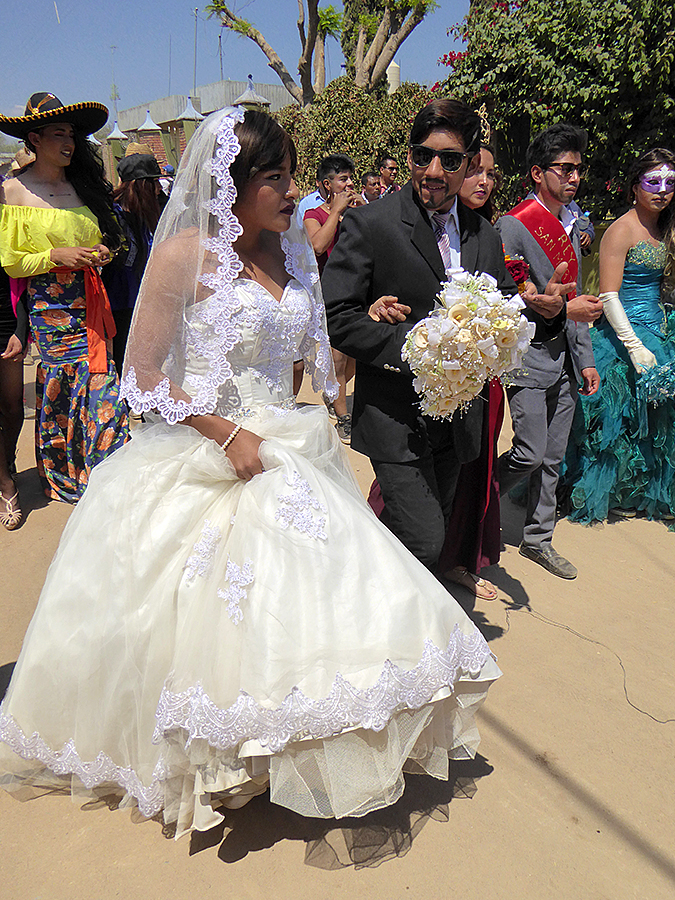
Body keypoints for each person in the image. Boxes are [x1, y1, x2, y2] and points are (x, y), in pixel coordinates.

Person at [0, 107, 500, 839]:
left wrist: (388, 323)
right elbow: (142, 376)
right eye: (275, 177)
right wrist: (225, 430)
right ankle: (210, 760)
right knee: (202, 618)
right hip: (208, 446)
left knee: (309, 608)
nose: (292, 191)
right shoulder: (185, 254)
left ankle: (277, 750)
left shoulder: (294, 252)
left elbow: (308, 361)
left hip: (289, 443)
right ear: (230, 184)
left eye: (291, 175)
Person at [322, 99, 517, 575]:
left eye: (449, 160)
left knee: (429, 534)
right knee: (425, 540)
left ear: (469, 163)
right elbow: (336, 315)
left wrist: (534, 312)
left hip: (458, 419)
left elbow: (505, 304)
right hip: (395, 415)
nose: (433, 171)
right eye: (421, 156)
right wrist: (415, 346)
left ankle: (390, 605)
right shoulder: (372, 224)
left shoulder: (484, 235)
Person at [0, 92, 129, 503]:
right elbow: (10, 262)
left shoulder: (84, 187)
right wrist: (54, 255)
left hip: (92, 300)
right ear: (35, 139)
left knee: (103, 385)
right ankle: (64, 471)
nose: (69, 142)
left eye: (71, 134)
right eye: (59, 134)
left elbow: (109, 239)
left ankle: (109, 473)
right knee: (64, 384)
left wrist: (103, 251)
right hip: (49, 307)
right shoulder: (12, 192)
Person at [495, 123, 601, 579]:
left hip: (565, 359)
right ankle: (474, 499)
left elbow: (574, 300)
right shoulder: (514, 225)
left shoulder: (571, 223)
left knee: (553, 458)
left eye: (578, 169)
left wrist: (586, 359)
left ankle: (538, 539)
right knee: (530, 453)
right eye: (564, 168)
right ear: (538, 173)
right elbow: (510, 300)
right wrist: (558, 307)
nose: (573, 177)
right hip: (529, 357)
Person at [561, 148, 675, 522]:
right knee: (615, 415)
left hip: (660, 327)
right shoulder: (621, 230)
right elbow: (609, 296)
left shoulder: (666, 227)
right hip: (624, 332)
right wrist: (634, 346)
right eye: (653, 182)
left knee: (658, 418)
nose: (662, 190)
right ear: (635, 186)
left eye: (670, 182)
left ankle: (645, 491)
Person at [304, 153, 364, 443]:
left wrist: (365, 213)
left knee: (353, 360)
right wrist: (336, 213)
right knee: (337, 359)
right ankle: (343, 418)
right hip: (329, 295)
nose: (349, 184)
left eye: (350, 178)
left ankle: (333, 393)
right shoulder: (313, 215)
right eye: (343, 179)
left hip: (357, 292)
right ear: (327, 185)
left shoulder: (356, 211)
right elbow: (318, 245)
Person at [102, 153, 163, 374]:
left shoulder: (147, 213)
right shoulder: (112, 214)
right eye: (154, 182)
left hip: (144, 295)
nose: (159, 188)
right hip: (118, 297)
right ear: (140, 185)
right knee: (122, 356)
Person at [0, 267, 28, 529]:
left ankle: (7, 460)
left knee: (12, 408)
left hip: (6, 325)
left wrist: (21, 330)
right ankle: (6, 485)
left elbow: (20, 281)